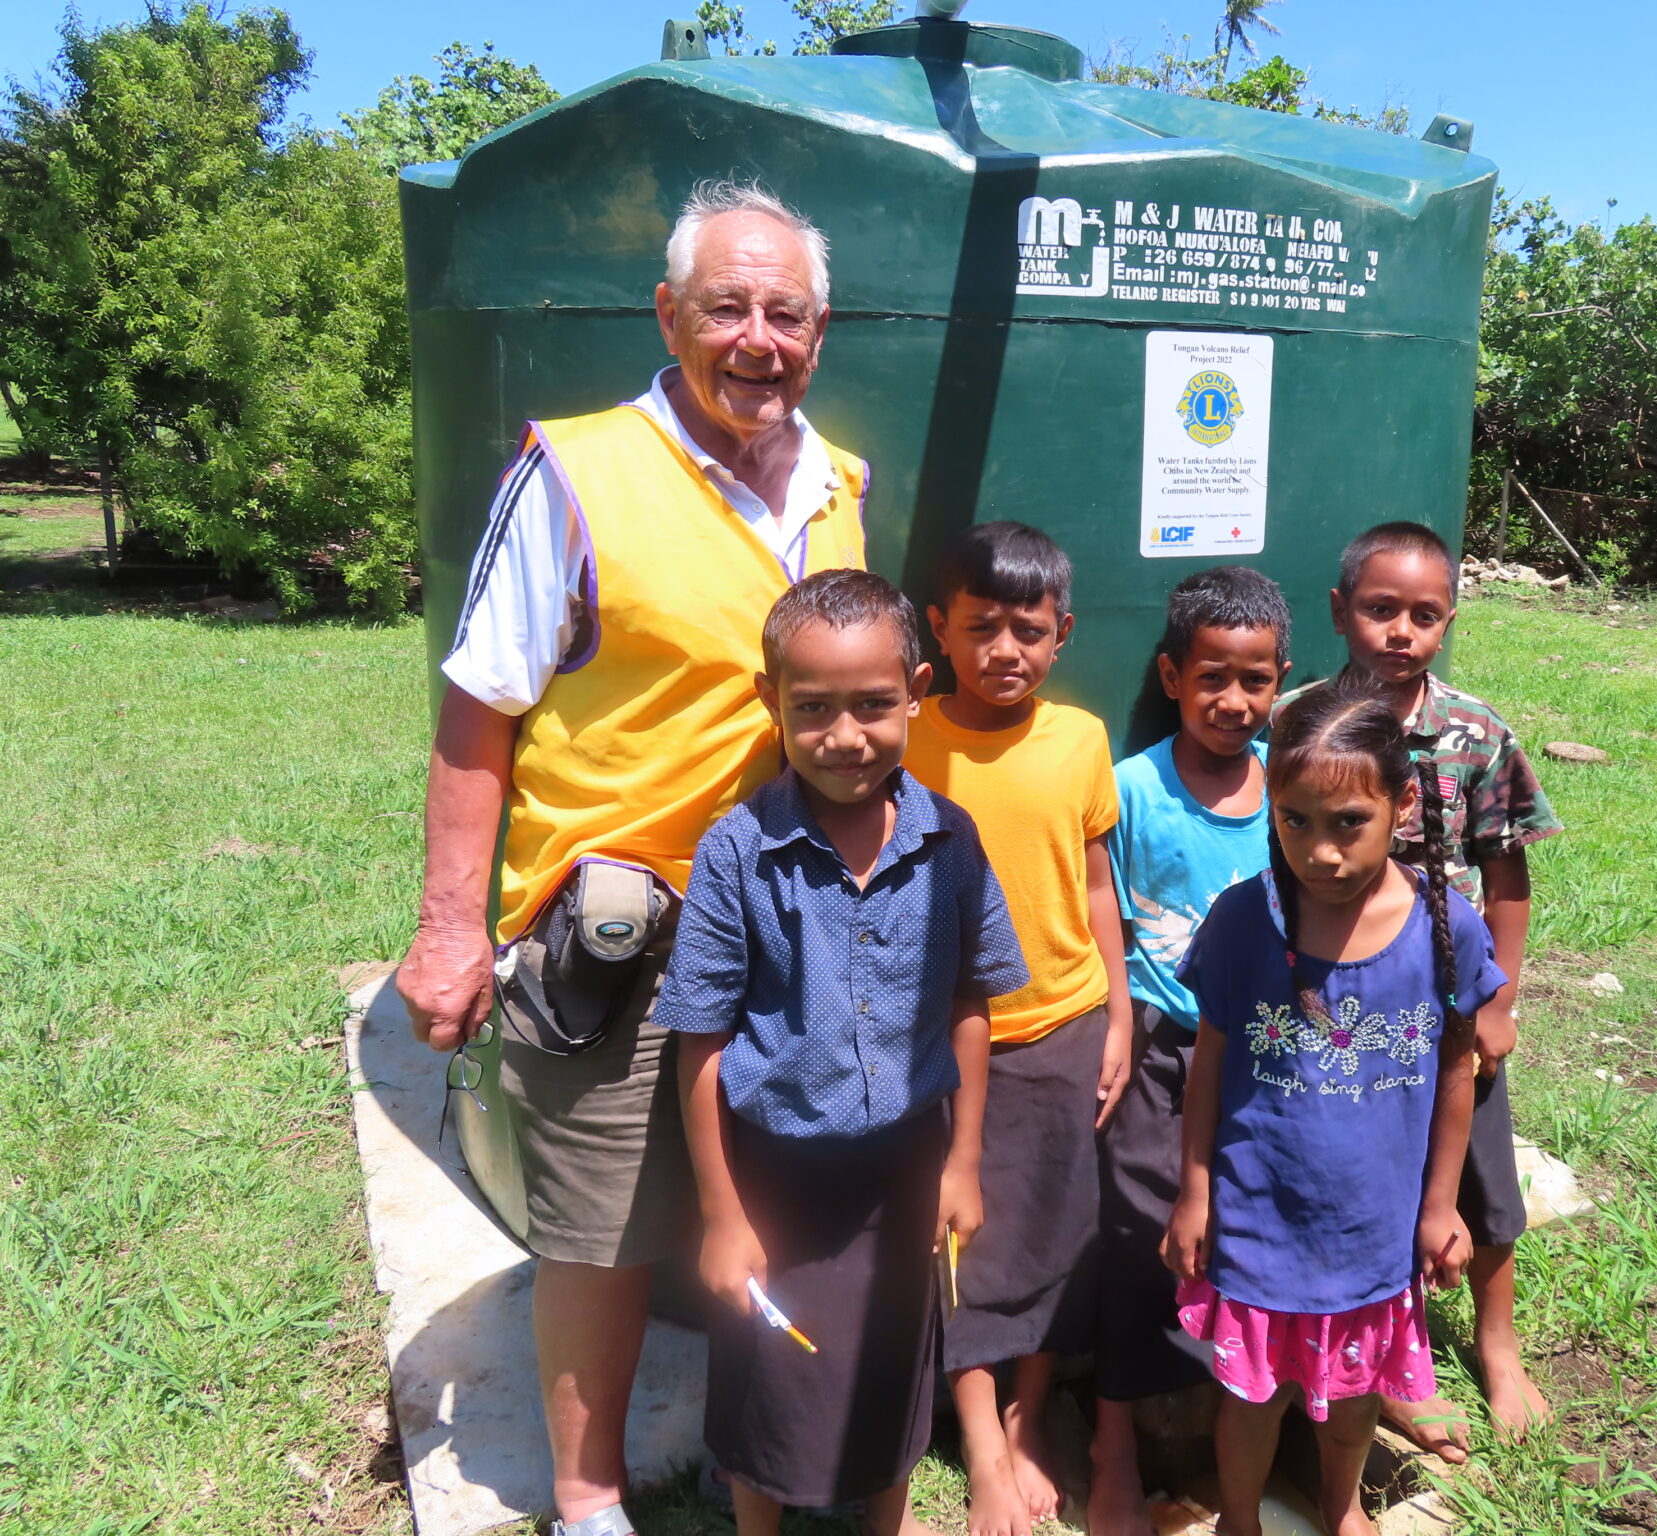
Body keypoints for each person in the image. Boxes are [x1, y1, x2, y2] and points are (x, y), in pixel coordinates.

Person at [392, 180, 867, 1536]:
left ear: (821, 330)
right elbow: (480, 708)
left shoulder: (840, 486)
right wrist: (448, 929)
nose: (758, 339)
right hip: (620, 933)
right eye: (727, 307)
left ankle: (758, 1451)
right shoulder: (578, 470)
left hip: (787, 924)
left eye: (787, 312)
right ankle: (592, 1501)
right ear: (670, 313)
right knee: (599, 1229)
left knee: (774, 1191)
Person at [659, 570, 1028, 1536]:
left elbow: (970, 999)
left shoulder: (953, 840)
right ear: (767, 701)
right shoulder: (736, 852)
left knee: (890, 1352)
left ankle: (886, 1518)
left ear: (916, 688)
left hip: (904, 1166)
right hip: (774, 1172)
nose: (845, 736)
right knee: (765, 1368)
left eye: (872, 704)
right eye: (811, 709)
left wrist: (964, 1161)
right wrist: (719, 1212)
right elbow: (699, 1036)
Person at [1162, 682, 1502, 1536]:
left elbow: (1458, 1069)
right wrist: (1195, 1192)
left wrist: (1439, 1208)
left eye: (1348, 820)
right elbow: (1209, 1063)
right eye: (1295, 822)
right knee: (1253, 1400)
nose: (1320, 851)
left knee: (1353, 1402)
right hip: (1257, 1221)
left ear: (1404, 803)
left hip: (1373, 1231)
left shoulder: (1444, 927)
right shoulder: (1245, 921)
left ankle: (1342, 1508)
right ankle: (1241, 1518)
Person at [899, 522, 1133, 1536]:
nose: (1005, 651)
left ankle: (1032, 1414)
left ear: (1062, 634)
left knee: (1051, 1227)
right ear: (937, 630)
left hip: (1061, 1024)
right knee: (959, 1240)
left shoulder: (1078, 740)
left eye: (1028, 631)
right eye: (981, 628)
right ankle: (981, 1446)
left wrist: (1118, 1011)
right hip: (941, 1037)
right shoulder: (902, 735)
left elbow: (1093, 888)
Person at [1322, 522, 1563, 1456]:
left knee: (1481, 1173)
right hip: (1344, 996)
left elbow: (1506, 876)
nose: (1400, 632)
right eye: (1381, 610)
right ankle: (1391, 1348)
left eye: (1424, 616)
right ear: (1343, 611)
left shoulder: (1476, 731)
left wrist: (1499, 1002)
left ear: (1447, 622)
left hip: (1453, 997)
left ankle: (1497, 1344)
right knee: (1374, 1169)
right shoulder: (1307, 720)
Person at [1090, 567, 1292, 1536]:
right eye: (1211, 677)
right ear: (1171, 676)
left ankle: (1275, 1412)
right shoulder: (1132, 790)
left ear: (1281, 681)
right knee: (1137, 1231)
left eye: (1254, 681)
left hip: (1266, 1058)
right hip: (1160, 1043)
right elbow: (1108, 925)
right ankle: (1115, 1441)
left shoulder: (1291, 796)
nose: (1232, 701)